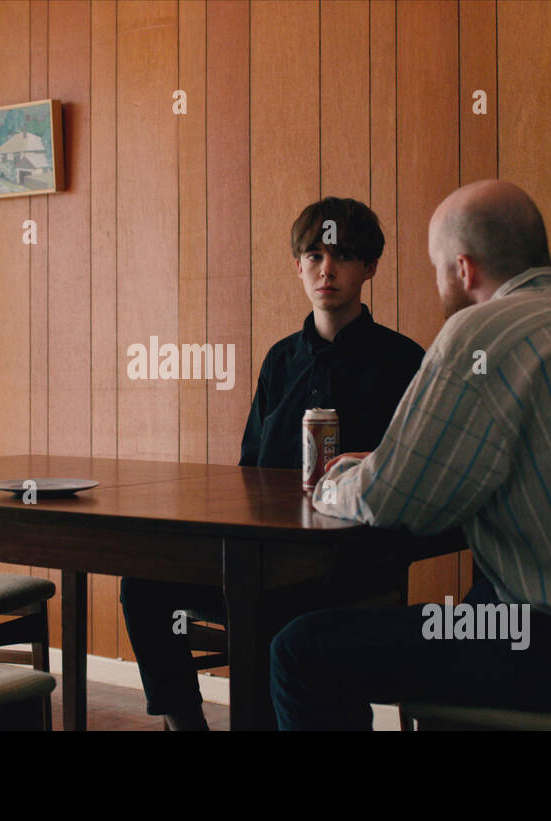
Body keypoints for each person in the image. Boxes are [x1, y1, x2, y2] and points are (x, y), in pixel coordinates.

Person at [271, 179, 551, 731]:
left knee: (300, 651)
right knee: (474, 605)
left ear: (463, 270)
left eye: (435, 268)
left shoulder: (481, 334)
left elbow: (394, 498)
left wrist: (332, 477)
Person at [120, 197, 426, 731]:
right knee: (144, 584)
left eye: (342, 256)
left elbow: (417, 475)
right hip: (261, 555)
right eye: (313, 256)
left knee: (271, 612)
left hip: (349, 565)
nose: (325, 269)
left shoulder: (403, 360)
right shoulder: (280, 359)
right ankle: (187, 724)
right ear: (299, 266)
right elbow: (248, 468)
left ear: (370, 267)